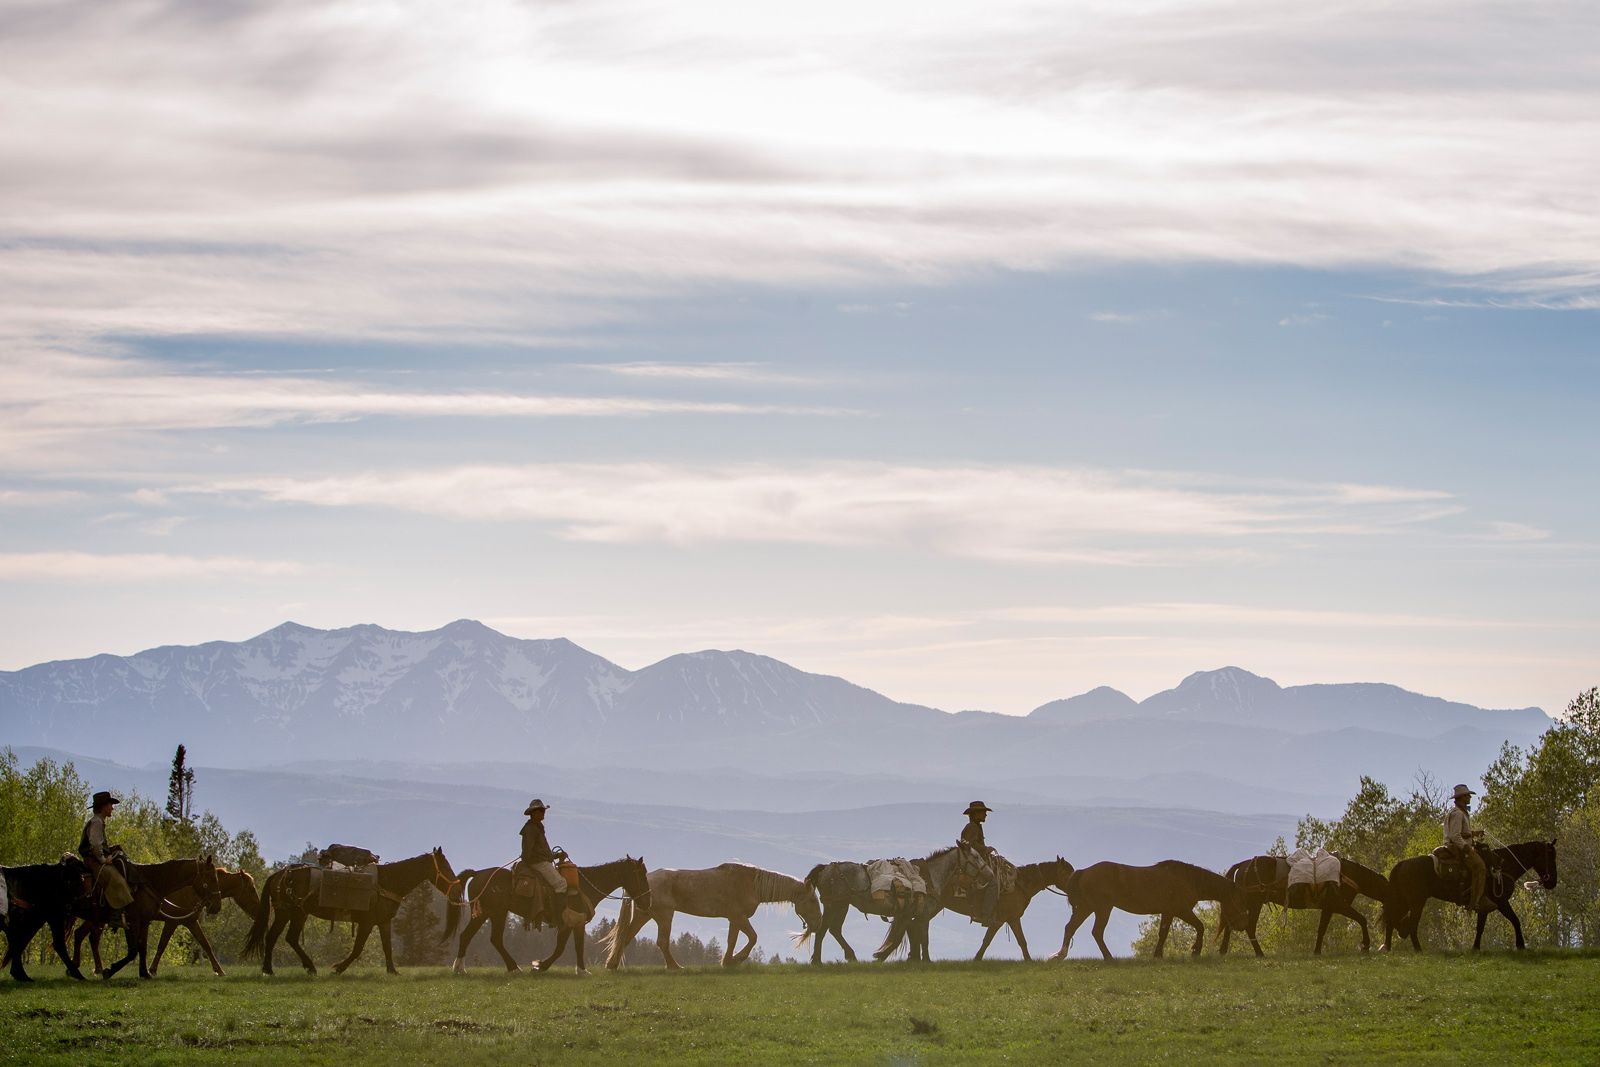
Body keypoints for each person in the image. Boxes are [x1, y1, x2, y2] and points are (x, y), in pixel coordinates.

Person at [79, 791, 134, 923]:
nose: (112, 808)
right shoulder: (97, 822)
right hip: (93, 861)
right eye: (110, 805)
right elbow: (96, 844)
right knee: (115, 878)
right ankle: (115, 915)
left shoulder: (99, 821)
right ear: (103, 806)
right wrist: (103, 860)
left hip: (95, 859)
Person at [520, 799, 575, 920]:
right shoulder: (531, 829)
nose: (543, 813)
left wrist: (555, 856)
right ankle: (559, 917)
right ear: (533, 813)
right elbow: (529, 851)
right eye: (540, 811)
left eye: (543, 810)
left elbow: (541, 851)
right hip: (538, 863)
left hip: (540, 861)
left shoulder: (536, 827)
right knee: (561, 884)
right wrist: (529, 861)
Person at [1444, 783, 1487, 910]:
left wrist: (1474, 833)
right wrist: (1467, 848)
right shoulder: (1457, 813)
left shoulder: (1461, 812)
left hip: (1459, 846)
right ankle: (1474, 903)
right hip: (1456, 848)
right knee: (1480, 867)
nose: (1470, 797)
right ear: (1462, 797)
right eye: (1468, 795)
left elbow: (1462, 833)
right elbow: (1455, 836)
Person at [958, 800, 999, 923]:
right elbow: (970, 846)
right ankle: (985, 915)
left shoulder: (975, 826)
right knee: (993, 882)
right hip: (971, 862)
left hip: (973, 859)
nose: (985, 815)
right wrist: (986, 849)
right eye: (983, 812)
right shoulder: (972, 827)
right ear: (975, 814)